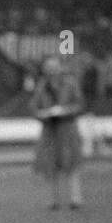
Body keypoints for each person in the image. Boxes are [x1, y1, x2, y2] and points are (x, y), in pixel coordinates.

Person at [31, 55, 85, 209]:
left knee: (71, 163)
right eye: (49, 68)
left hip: (67, 128)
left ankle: (75, 199)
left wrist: (65, 110)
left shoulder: (70, 84)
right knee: (50, 165)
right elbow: (34, 107)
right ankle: (52, 200)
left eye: (54, 67)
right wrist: (42, 114)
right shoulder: (41, 87)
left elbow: (80, 104)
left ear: (60, 68)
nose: (52, 71)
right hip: (50, 130)